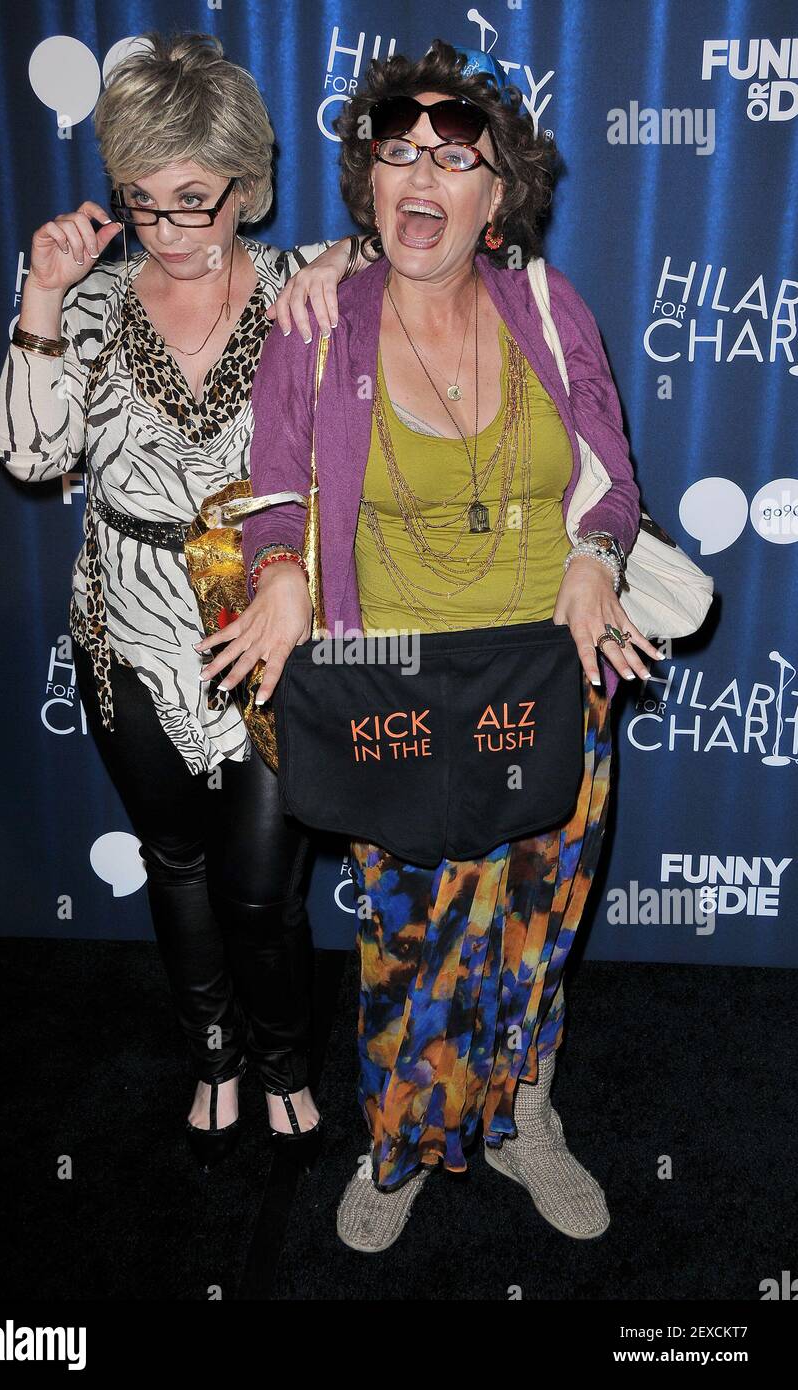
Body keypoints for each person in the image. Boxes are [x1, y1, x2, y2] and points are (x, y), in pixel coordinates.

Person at [199, 38, 662, 1247]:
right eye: (395, 152)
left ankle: (520, 1116)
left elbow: (610, 486)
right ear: (366, 179)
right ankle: (399, 1136)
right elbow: (273, 490)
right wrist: (286, 571)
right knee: (406, 936)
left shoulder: (549, 310)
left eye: (453, 159)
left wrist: (591, 558)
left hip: (549, 670)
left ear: (495, 194)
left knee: (533, 921)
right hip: (392, 684)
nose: (420, 178)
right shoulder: (315, 324)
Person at [0, 31, 373, 1171]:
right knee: (176, 859)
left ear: (245, 187)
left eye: (195, 202)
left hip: (269, 610)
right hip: (127, 620)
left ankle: (283, 1056)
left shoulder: (311, 282)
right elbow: (27, 454)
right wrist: (45, 296)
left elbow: (444, 252)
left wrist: (345, 260)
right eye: (143, 204)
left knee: (263, 884)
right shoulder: (92, 299)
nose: (169, 230)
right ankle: (211, 1052)